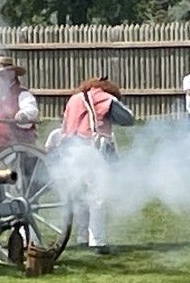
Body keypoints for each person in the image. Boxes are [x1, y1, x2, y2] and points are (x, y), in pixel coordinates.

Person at [57, 76, 135, 253]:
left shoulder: (74, 99)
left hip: (71, 150)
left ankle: (82, 236)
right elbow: (128, 118)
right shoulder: (101, 96)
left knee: (79, 197)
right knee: (97, 197)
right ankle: (97, 241)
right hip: (90, 149)